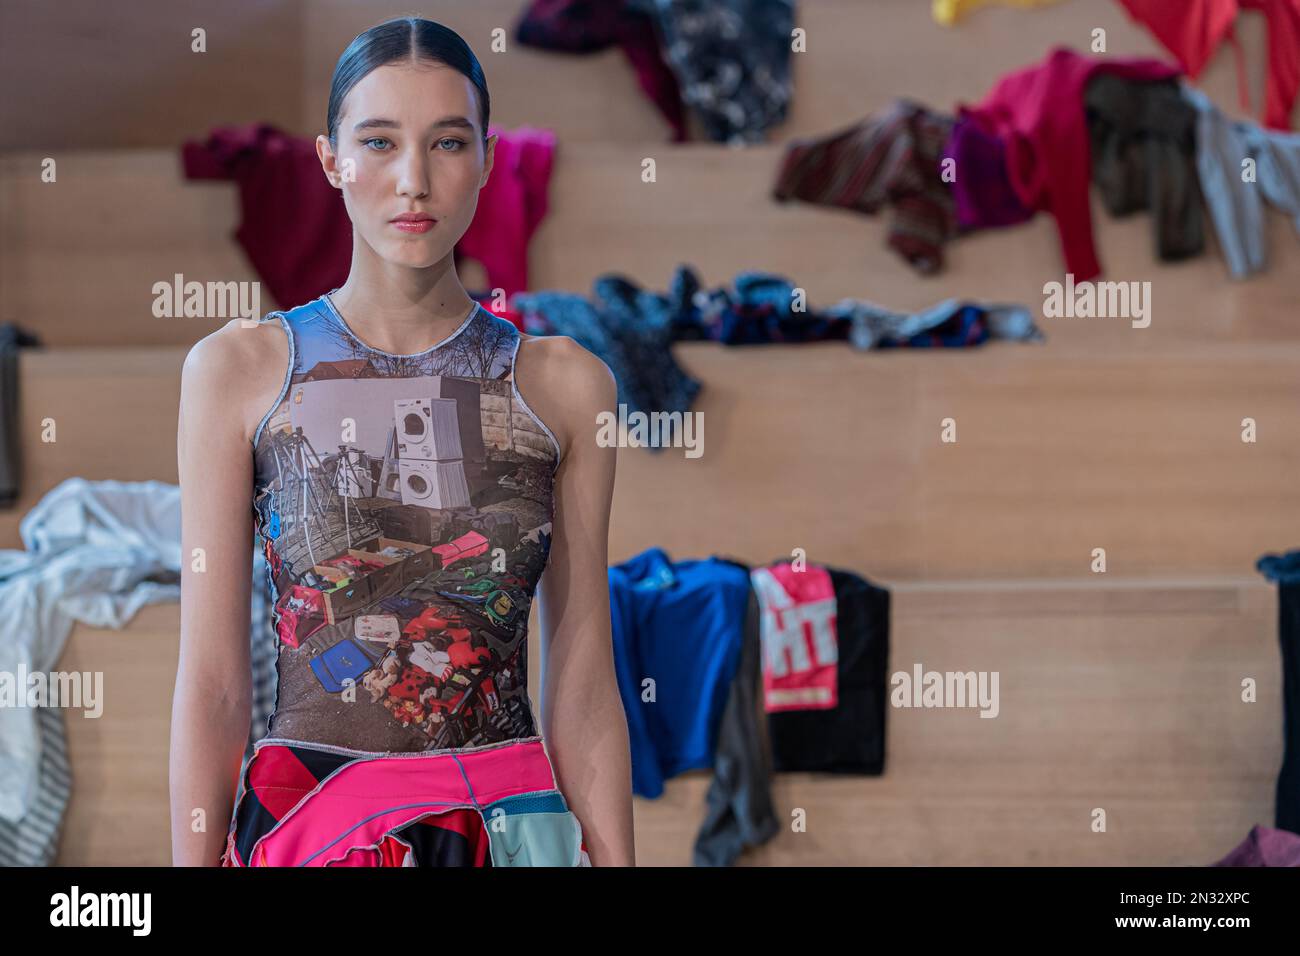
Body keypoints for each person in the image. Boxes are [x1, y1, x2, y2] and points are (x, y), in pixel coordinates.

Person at [170, 15, 633, 867]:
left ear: (489, 159)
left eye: (448, 143)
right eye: (379, 142)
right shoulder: (236, 371)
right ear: (330, 160)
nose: (413, 180)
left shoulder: (567, 384)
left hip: (505, 826)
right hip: (310, 823)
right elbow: (213, 681)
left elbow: (583, 672)